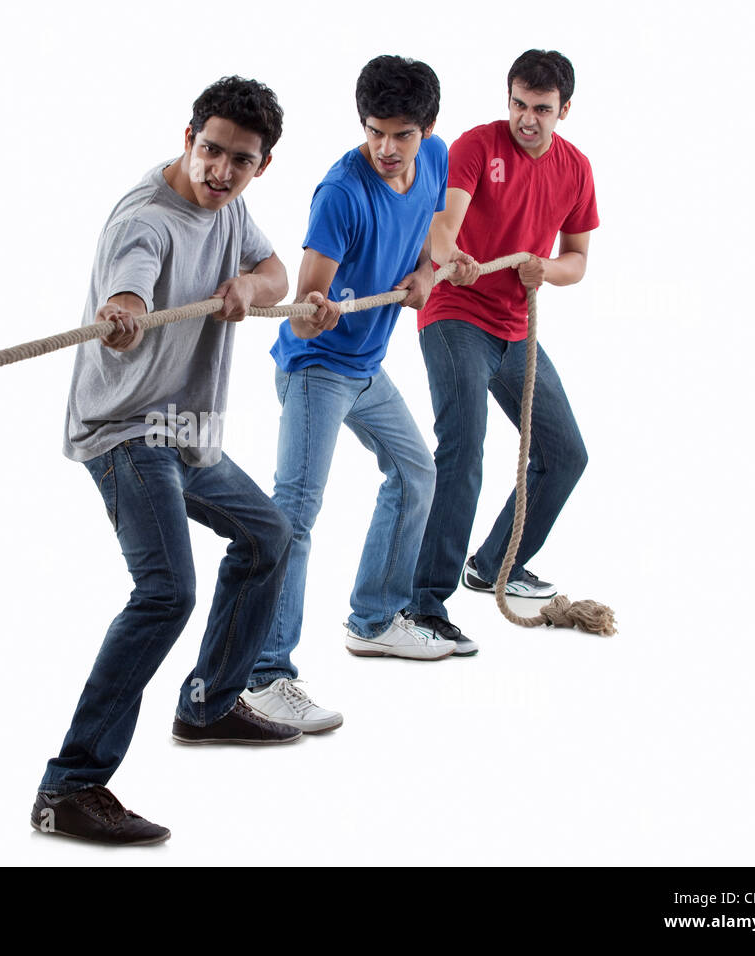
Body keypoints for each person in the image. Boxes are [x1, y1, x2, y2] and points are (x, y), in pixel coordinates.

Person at [35, 76, 299, 847]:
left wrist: (251, 283)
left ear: (261, 166)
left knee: (269, 536)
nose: (219, 171)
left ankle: (210, 702)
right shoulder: (144, 221)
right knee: (167, 592)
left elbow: (278, 274)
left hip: (187, 434)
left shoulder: (233, 208)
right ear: (187, 137)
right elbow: (128, 296)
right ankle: (70, 786)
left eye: (238, 161)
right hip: (127, 431)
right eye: (209, 150)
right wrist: (122, 315)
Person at [243, 55, 469, 735]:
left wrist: (429, 270)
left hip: (367, 368)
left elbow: (434, 226)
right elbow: (308, 298)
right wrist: (316, 307)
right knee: (295, 516)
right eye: (374, 131)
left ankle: (373, 619)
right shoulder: (340, 192)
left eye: (401, 134)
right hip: (317, 366)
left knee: (415, 471)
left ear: (426, 131)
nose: (385, 147)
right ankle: (264, 675)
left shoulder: (437, 160)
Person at [408, 49, 599, 651]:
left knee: (566, 455)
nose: (527, 119)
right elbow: (443, 226)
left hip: (516, 329)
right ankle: (424, 606)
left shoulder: (576, 168)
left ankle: (494, 563)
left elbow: (577, 260)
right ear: (508, 99)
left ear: (564, 109)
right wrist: (451, 256)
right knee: (464, 450)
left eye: (542, 109)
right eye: (519, 103)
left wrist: (546, 269)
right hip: (455, 315)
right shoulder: (477, 145)